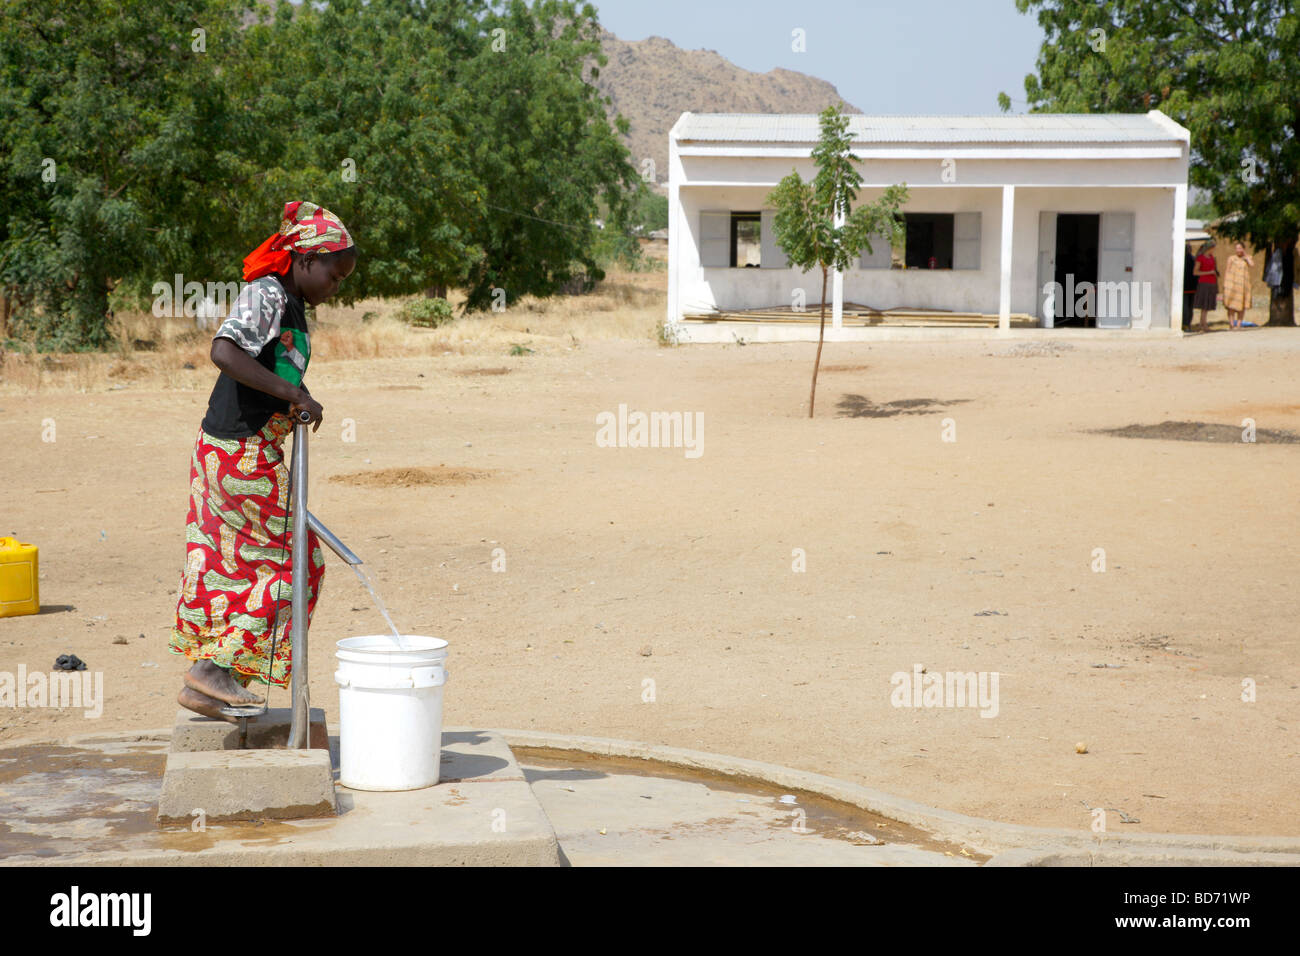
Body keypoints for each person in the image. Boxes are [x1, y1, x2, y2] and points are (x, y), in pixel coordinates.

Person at [170, 201, 357, 721]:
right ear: (303, 260)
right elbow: (225, 351)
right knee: (299, 563)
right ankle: (212, 673)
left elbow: (268, 364)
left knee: (241, 568)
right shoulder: (267, 293)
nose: (335, 287)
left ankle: (210, 682)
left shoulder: (289, 303)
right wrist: (293, 396)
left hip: (245, 451)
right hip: (238, 454)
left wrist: (293, 392)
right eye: (333, 275)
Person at [1222, 242, 1254, 329]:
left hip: (1243, 285)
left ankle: (1239, 324)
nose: (1238, 250)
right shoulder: (1231, 258)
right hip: (1232, 284)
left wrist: (1246, 257)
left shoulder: (1248, 258)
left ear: (1243, 249)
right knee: (1231, 305)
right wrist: (1226, 283)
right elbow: (1227, 271)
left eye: (1240, 248)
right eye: (1237, 248)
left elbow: (1252, 265)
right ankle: (1231, 324)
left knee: (1242, 306)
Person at [1192, 240, 1218, 332]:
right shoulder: (1200, 258)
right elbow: (1195, 272)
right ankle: (1204, 324)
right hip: (1204, 283)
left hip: (1212, 283)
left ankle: (1201, 324)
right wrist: (1209, 272)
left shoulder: (1211, 257)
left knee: (1207, 305)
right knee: (1204, 305)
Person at [1182, 243, 1198, 330]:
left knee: (1186, 308)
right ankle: (1187, 324)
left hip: (1185, 288)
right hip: (1192, 288)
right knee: (1189, 308)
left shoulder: (1182, 259)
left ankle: (1185, 325)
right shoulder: (1194, 259)